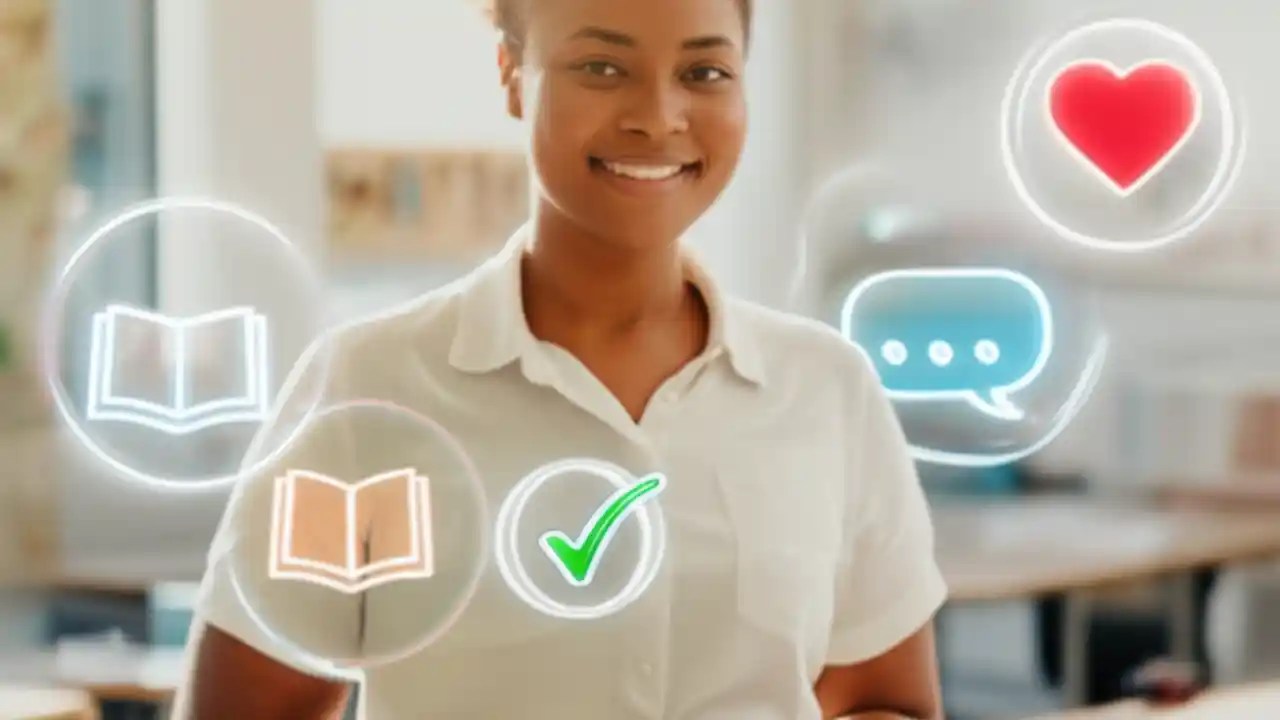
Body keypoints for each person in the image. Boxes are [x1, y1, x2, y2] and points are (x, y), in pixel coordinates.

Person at [174, 0, 947, 717]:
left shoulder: (827, 392)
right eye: (602, 68)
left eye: (704, 73)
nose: (658, 117)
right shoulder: (367, 389)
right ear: (512, 72)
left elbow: (879, 701)